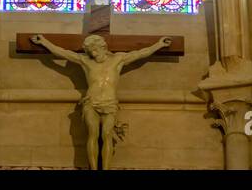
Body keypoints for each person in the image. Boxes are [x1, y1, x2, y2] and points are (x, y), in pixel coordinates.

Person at [30, 33, 171, 169]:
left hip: (110, 103)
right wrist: (44, 42)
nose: (92, 54)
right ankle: (92, 166)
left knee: (107, 135)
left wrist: (158, 45)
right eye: (89, 51)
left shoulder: (118, 59)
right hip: (91, 102)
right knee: (93, 133)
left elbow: (140, 53)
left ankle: (106, 167)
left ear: (103, 47)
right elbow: (63, 53)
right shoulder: (85, 61)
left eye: (94, 50)